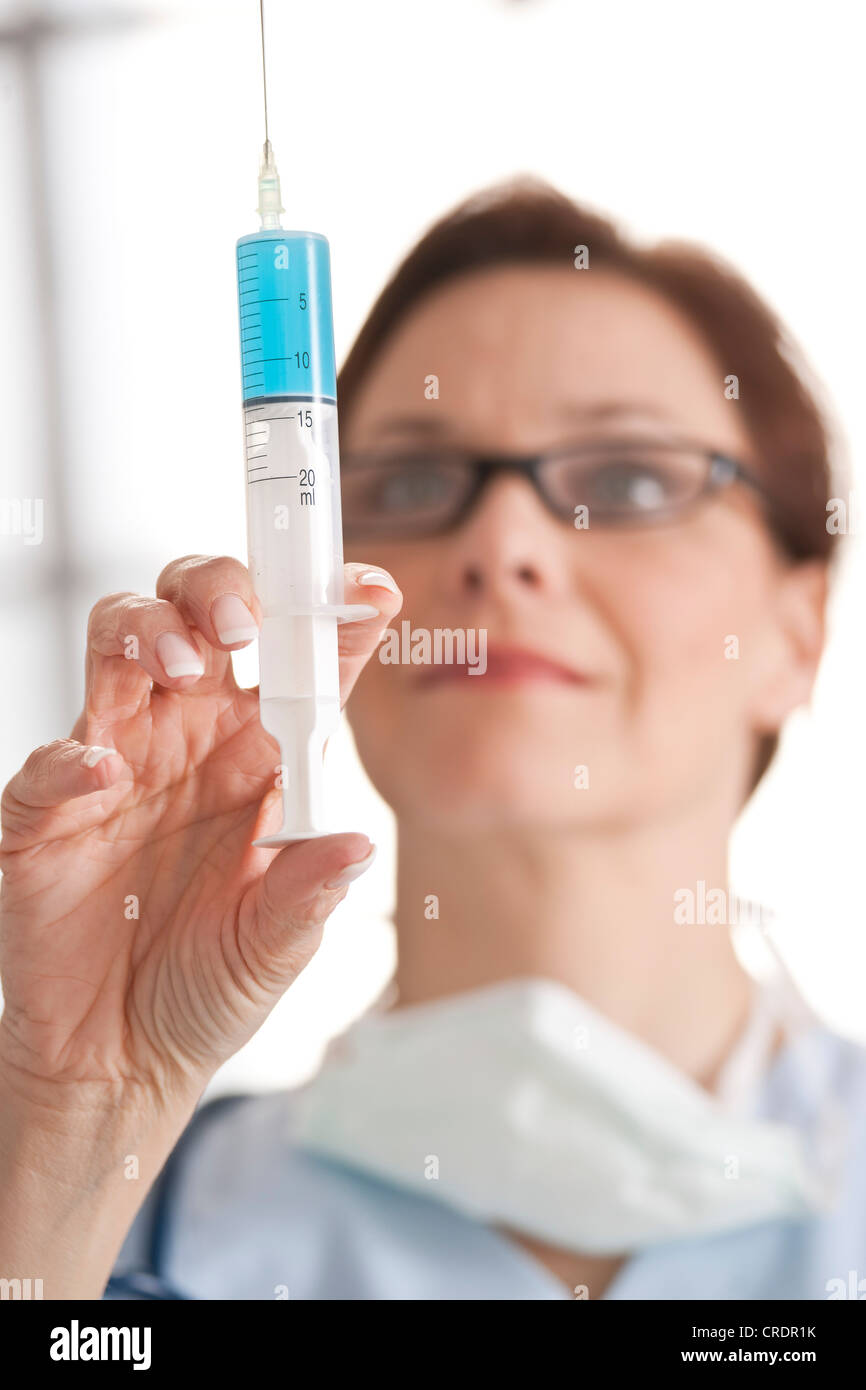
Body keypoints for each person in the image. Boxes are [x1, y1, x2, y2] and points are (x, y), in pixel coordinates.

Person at [1, 179, 864, 1302]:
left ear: (798, 633)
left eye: (627, 479)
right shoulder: (109, 1228)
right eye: (414, 480)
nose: (501, 543)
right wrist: (83, 1112)